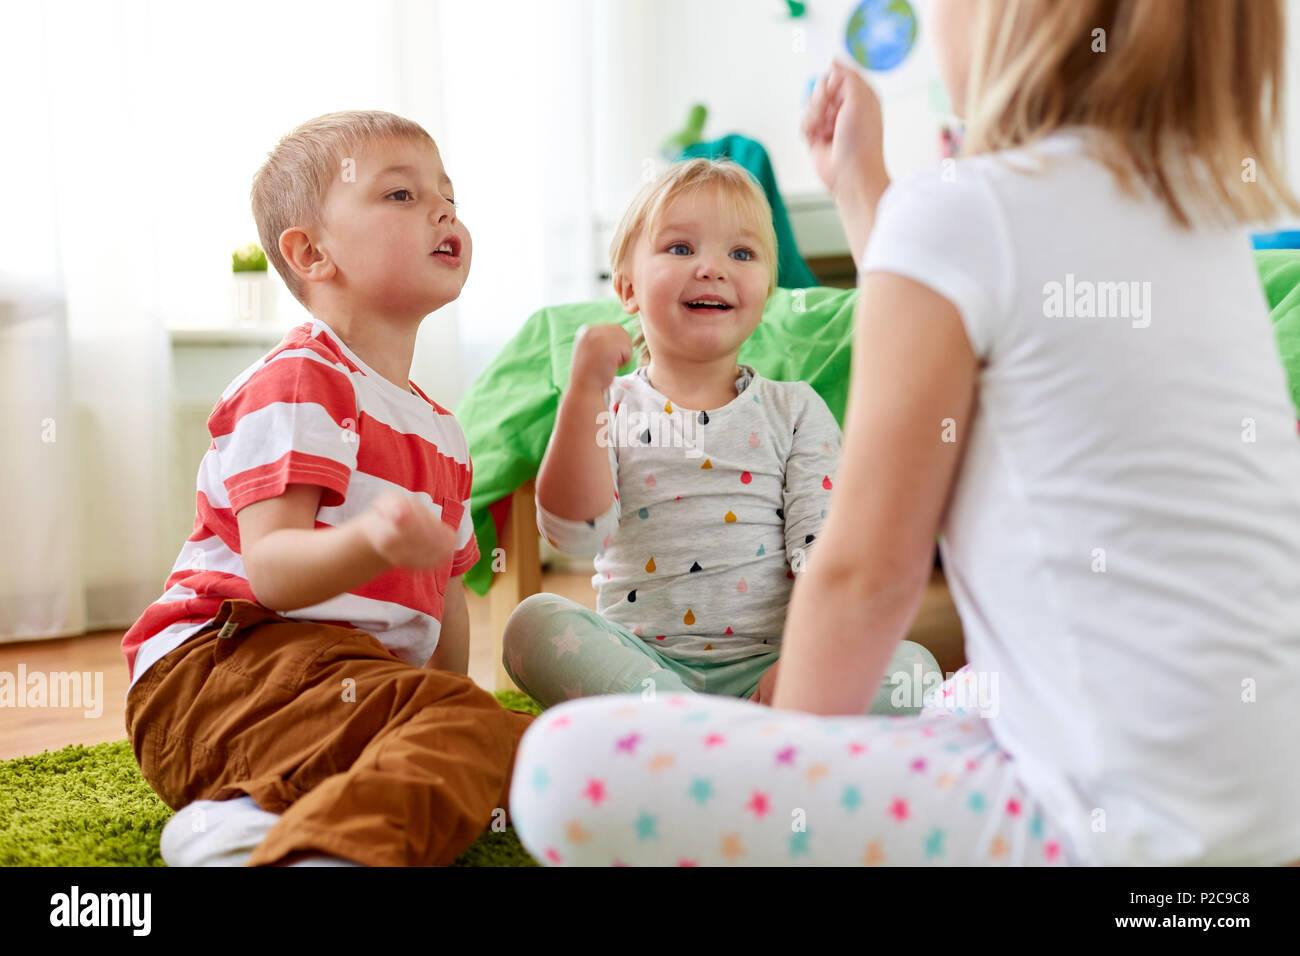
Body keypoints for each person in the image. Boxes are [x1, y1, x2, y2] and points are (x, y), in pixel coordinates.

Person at [506, 0, 1300, 866]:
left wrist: (784, 771)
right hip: (1256, 809)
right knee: (955, 691)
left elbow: (860, 575)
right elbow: (956, 294)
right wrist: (858, 183)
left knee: (558, 771)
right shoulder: (1197, 222)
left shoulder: (963, 216)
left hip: (1103, 830)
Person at [120, 110, 534, 867]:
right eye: (402, 196)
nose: (444, 211)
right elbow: (274, 570)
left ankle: (241, 824)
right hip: (220, 672)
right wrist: (373, 541)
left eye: (449, 196)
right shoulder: (301, 379)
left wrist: (439, 701)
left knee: (519, 747)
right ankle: (317, 852)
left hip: (343, 687)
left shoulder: (442, 429)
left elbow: (445, 603)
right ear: (311, 253)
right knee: (466, 730)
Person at [502, 157, 940, 712]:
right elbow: (574, 535)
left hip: (777, 669)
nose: (713, 268)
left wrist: (806, 659)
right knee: (531, 627)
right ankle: (717, 731)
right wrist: (584, 391)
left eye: (741, 254)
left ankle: (693, 741)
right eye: (681, 249)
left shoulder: (795, 408)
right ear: (628, 289)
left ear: (766, 291)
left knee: (917, 671)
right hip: (642, 668)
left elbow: (821, 552)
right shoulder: (608, 404)